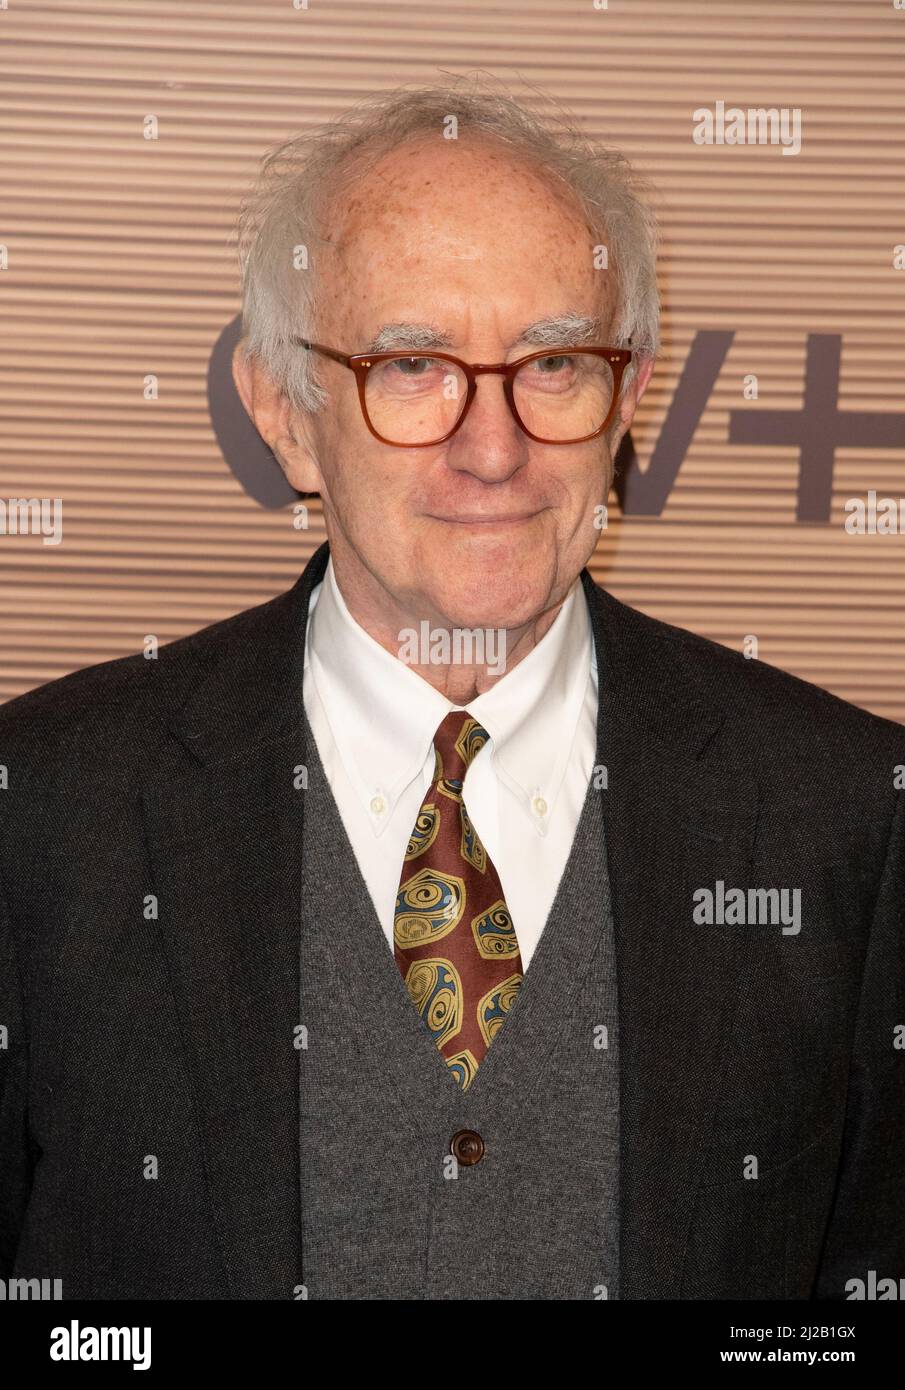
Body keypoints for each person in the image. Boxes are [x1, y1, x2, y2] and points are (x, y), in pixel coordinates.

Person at [0, 79, 902, 1301]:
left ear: (627, 397)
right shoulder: (45, 807)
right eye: (412, 364)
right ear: (284, 415)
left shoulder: (843, 812)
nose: (493, 448)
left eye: (554, 361)